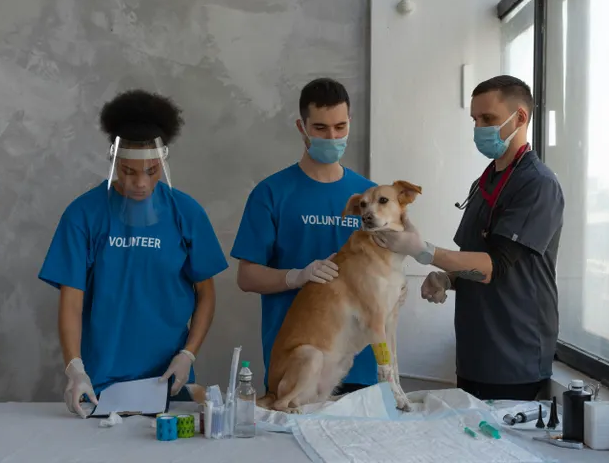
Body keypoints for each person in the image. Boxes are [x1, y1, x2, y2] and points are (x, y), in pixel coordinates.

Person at [38, 89, 228, 418]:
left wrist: (188, 354)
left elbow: (206, 294)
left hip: (168, 383)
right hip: (101, 387)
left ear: (163, 163)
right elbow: (71, 299)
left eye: (152, 171)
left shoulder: (186, 213)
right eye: (129, 171)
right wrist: (75, 369)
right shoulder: (83, 215)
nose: (141, 183)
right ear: (113, 161)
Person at [375, 75, 565, 401]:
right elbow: (473, 256)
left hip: (514, 359)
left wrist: (423, 251)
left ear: (519, 117)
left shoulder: (538, 185)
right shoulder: (484, 183)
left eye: (488, 119)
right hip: (473, 357)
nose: (479, 129)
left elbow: (496, 265)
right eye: (475, 120)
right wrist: (447, 279)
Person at [231, 77, 378, 395]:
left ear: (350, 123)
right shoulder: (271, 193)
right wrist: (295, 277)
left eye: (340, 127)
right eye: (321, 128)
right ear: (302, 127)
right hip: (300, 368)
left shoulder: (369, 196)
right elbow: (246, 277)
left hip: (360, 367)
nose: (332, 136)